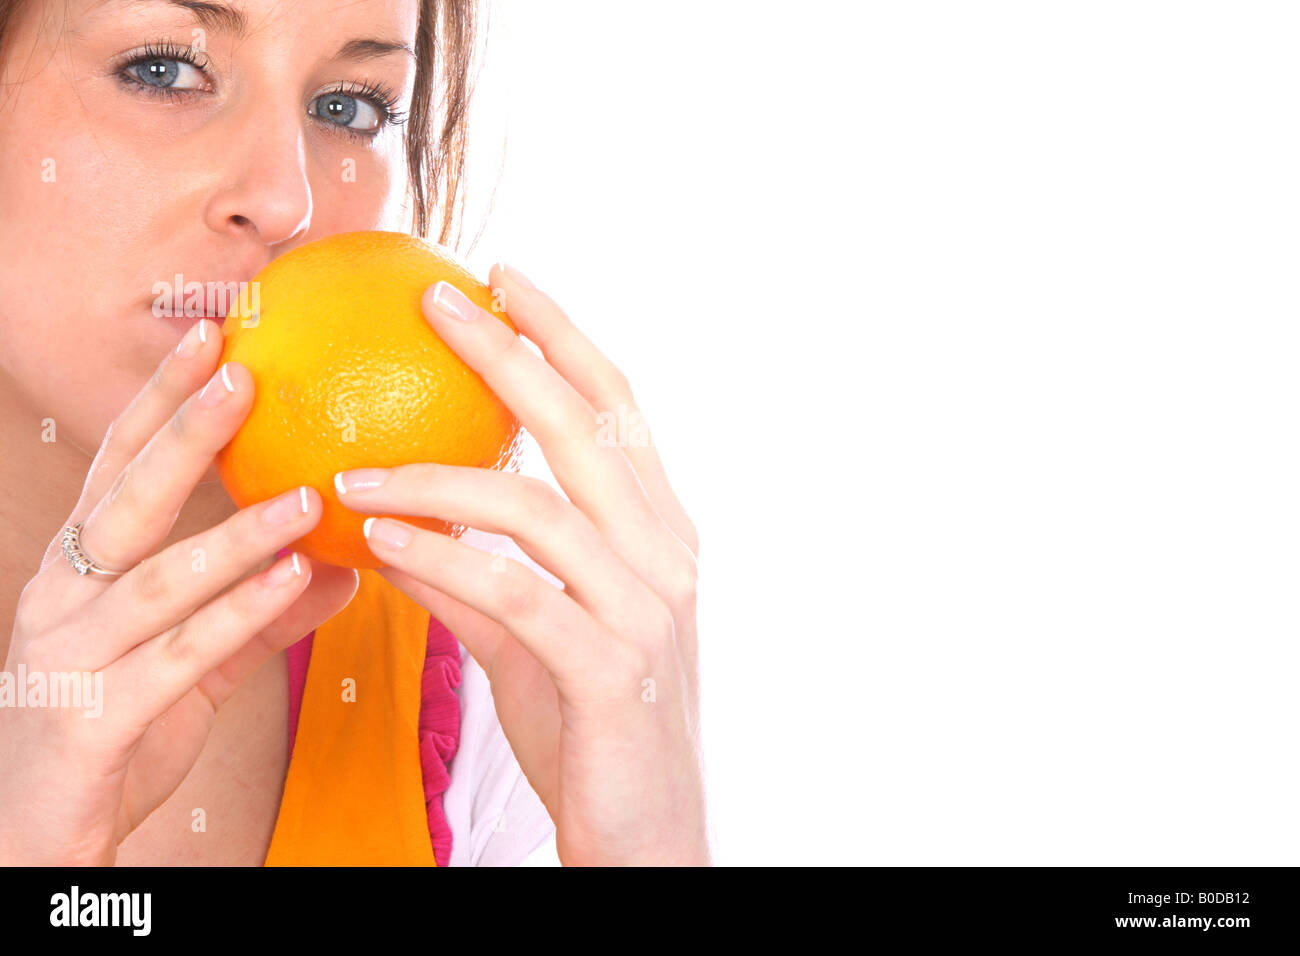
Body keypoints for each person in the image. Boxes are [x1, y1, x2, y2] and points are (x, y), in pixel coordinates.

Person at [0, 0, 707, 866]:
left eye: (348, 106)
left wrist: (656, 849)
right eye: (162, 70)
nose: (284, 202)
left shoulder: (511, 667)